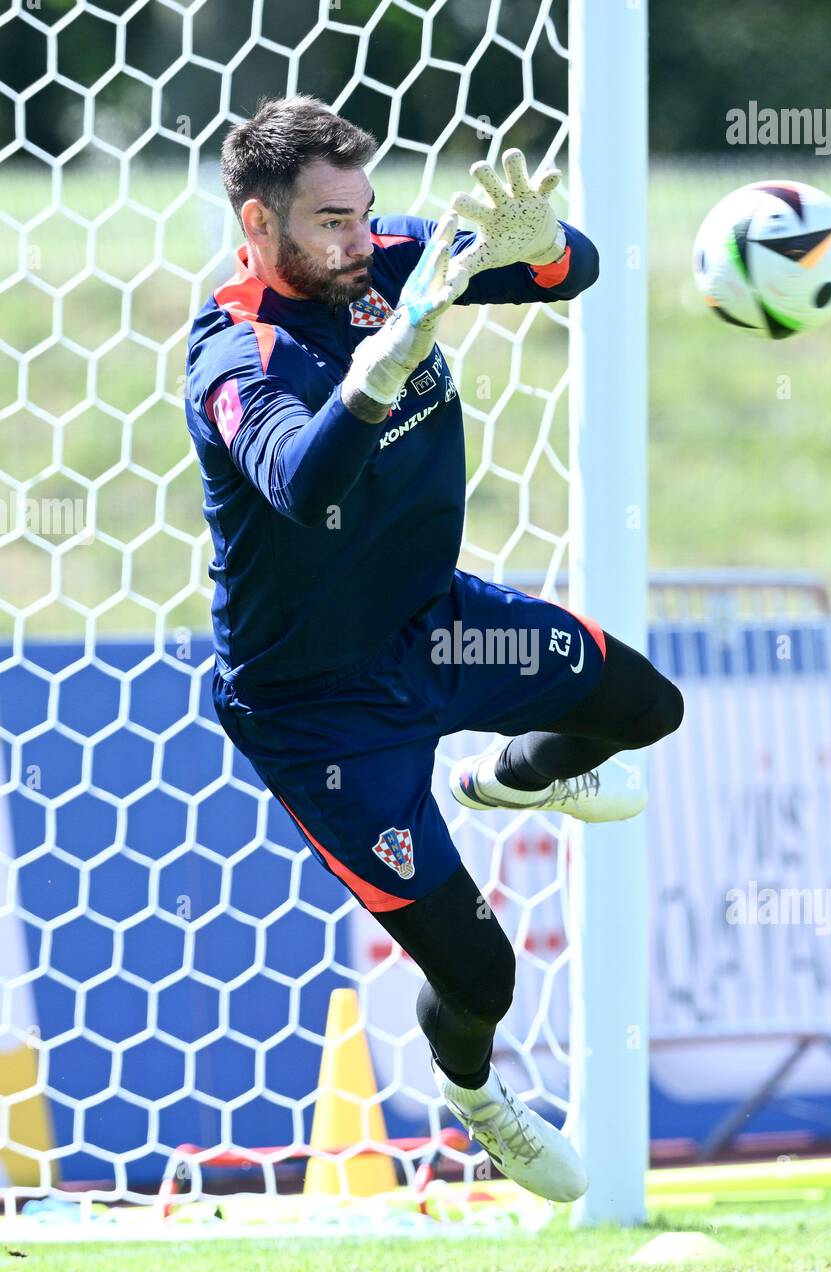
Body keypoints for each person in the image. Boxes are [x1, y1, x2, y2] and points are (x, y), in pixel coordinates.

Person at [185, 95, 683, 1203]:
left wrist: (546, 247)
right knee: (484, 975)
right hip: (319, 713)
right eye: (329, 223)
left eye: (365, 213)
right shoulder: (230, 356)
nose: (361, 241)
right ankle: (474, 1096)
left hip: (436, 625)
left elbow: (573, 275)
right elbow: (302, 484)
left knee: (646, 708)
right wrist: (385, 364)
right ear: (258, 230)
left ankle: (504, 776)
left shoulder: (391, 259)